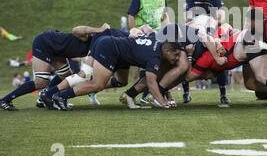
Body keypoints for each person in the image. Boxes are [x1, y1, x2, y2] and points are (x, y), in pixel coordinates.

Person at [45, 34, 182, 111]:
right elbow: (151, 82)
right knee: (97, 84)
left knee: (121, 81)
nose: (176, 59)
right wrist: (163, 102)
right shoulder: (155, 57)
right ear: (167, 51)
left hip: (116, 50)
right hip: (110, 48)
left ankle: (52, 94)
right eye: (175, 55)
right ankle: (61, 96)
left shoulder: (157, 41)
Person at [0, 24, 110, 111]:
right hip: (46, 42)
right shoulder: (89, 38)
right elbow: (75, 30)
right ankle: (4, 100)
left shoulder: (97, 47)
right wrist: (99, 29)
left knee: (66, 75)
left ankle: (43, 98)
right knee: (41, 82)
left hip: (58, 51)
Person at [183, 0, 228, 105]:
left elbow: (222, 19)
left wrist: (210, 21)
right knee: (184, 55)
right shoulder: (189, 1)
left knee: (227, 30)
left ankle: (223, 94)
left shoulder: (215, 0)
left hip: (212, 30)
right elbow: (187, 21)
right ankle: (186, 93)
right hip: (196, 33)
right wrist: (203, 20)